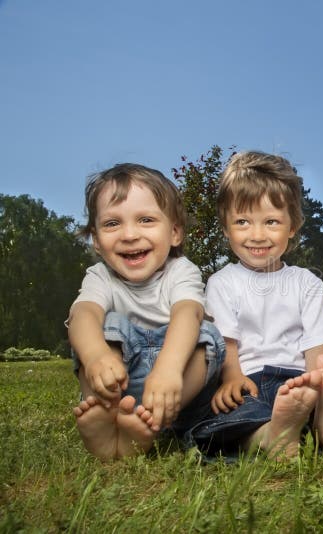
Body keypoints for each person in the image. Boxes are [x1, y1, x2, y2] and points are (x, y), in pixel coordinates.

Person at [188, 151, 323, 458]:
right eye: (242, 222)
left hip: (299, 382)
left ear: (292, 226)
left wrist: (318, 388)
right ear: (226, 227)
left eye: (271, 221)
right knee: (234, 416)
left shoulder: (306, 282)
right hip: (247, 381)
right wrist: (231, 378)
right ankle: (271, 435)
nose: (257, 235)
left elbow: (317, 350)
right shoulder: (222, 282)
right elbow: (226, 342)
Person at [68, 163, 225, 460]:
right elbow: (82, 315)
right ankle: (107, 415)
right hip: (119, 388)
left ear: (175, 232)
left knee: (206, 336)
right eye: (112, 223)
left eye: (146, 220)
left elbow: (187, 313)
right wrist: (97, 356)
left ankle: (153, 422)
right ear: (97, 241)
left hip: (177, 392)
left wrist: (168, 369)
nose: (129, 234)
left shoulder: (181, 271)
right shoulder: (100, 277)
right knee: (102, 328)